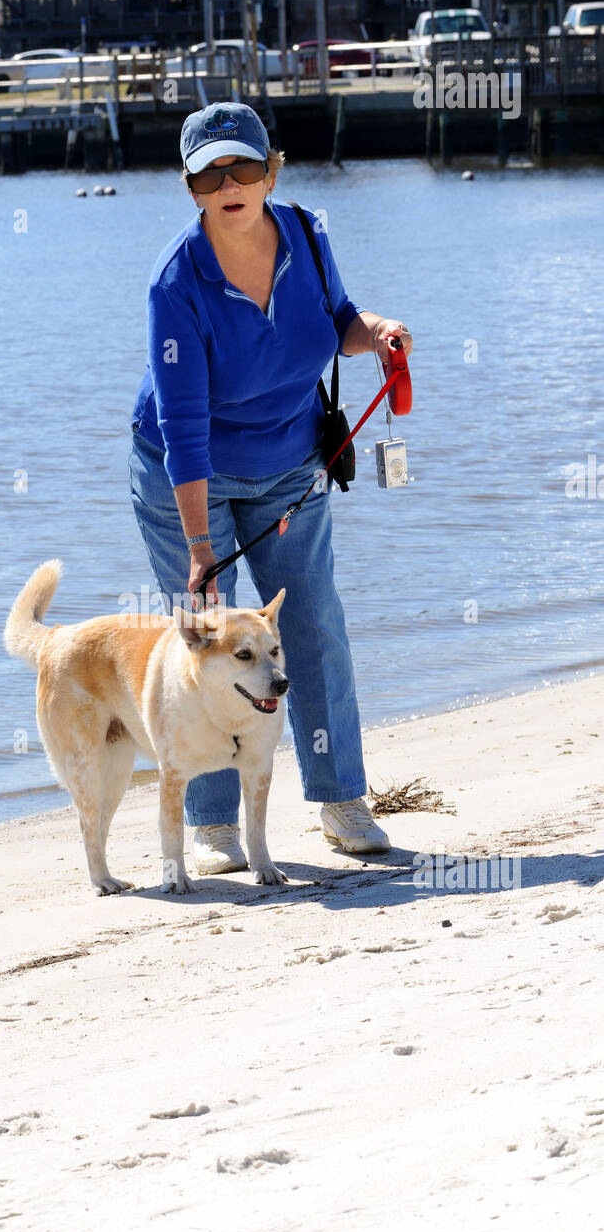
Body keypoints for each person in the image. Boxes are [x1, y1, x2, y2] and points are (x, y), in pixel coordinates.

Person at [127, 102, 412, 872]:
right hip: (187, 475)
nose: (229, 183)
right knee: (209, 641)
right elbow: (184, 426)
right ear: (189, 187)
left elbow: (340, 319)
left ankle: (340, 799)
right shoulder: (174, 285)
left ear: (270, 170)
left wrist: (377, 333)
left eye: (243, 166)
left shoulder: (309, 235)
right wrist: (198, 553)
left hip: (289, 464)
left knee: (313, 626)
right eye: (209, 172)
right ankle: (213, 821)